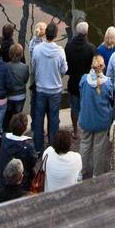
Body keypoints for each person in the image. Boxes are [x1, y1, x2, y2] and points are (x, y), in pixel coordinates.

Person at [30, 23, 68, 154]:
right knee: (53, 119)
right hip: (55, 91)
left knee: (39, 118)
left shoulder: (37, 49)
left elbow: (33, 67)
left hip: (41, 89)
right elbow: (64, 70)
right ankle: (52, 147)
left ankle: (38, 148)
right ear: (56, 34)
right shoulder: (60, 51)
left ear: (46, 33)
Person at [78, 55, 115, 177]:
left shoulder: (84, 80)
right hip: (101, 121)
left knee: (85, 145)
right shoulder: (108, 83)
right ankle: (96, 173)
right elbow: (111, 99)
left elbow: (81, 93)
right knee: (99, 148)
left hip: (86, 119)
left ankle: (81, 171)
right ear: (103, 66)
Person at [64, 21, 96, 134]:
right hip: (87, 83)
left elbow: (66, 65)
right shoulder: (91, 48)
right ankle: (86, 129)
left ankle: (75, 130)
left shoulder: (68, 46)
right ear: (87, 33)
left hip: (73, 82)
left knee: (74, 108)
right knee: (87, 107)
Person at [0, 112, 38, 187]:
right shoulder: (28, 146)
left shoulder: (4, 138)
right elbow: (33, 161)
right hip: (21, 182)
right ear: (24, 128)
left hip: (4, 180)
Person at [5, 42, 29, 121]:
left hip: (8, 95)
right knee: (18, 116)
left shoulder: (6, 66)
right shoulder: (25, 67)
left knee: (8, 115)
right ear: (21, 55)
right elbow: (25, 80)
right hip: (20, 95)